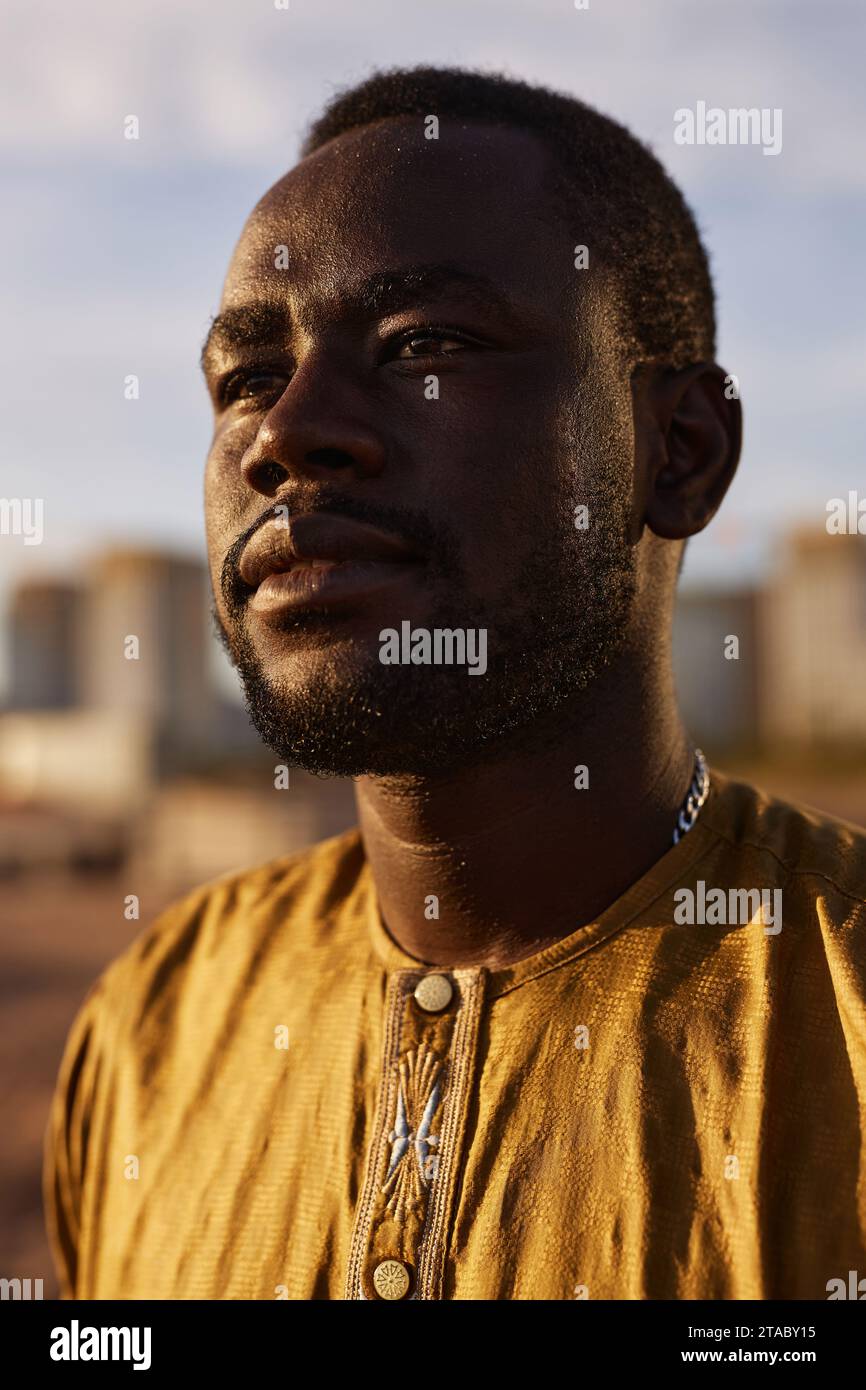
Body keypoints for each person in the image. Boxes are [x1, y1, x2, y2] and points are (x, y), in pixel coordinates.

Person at [46, 66, 866, 1301]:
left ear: (678, 451)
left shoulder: (840, 1016)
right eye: (246, 378)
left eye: (425, 344)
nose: (283, 434)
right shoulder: (151, 1024)